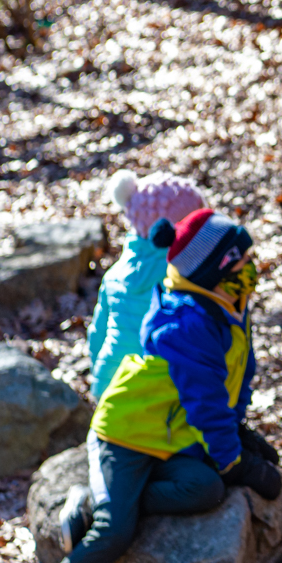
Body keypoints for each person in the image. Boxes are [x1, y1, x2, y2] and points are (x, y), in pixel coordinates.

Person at [54, 209, 282, 563]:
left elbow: (239, 375)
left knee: (206, 489)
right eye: (243, 261)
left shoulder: (229, 304)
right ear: (215, 271)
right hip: (125, 433)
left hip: (169, 434)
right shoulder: (188, 325)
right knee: (115, 532)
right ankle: (82, 542)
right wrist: (235, 462)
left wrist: (237, 431)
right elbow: (206, 404)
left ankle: (119, 499)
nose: (252, 267)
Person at [90, 170, 207, 400]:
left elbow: (97, 334)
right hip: (158, 393)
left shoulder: (116, 274)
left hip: (110, 387)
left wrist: (98, 375)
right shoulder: (183, 277)